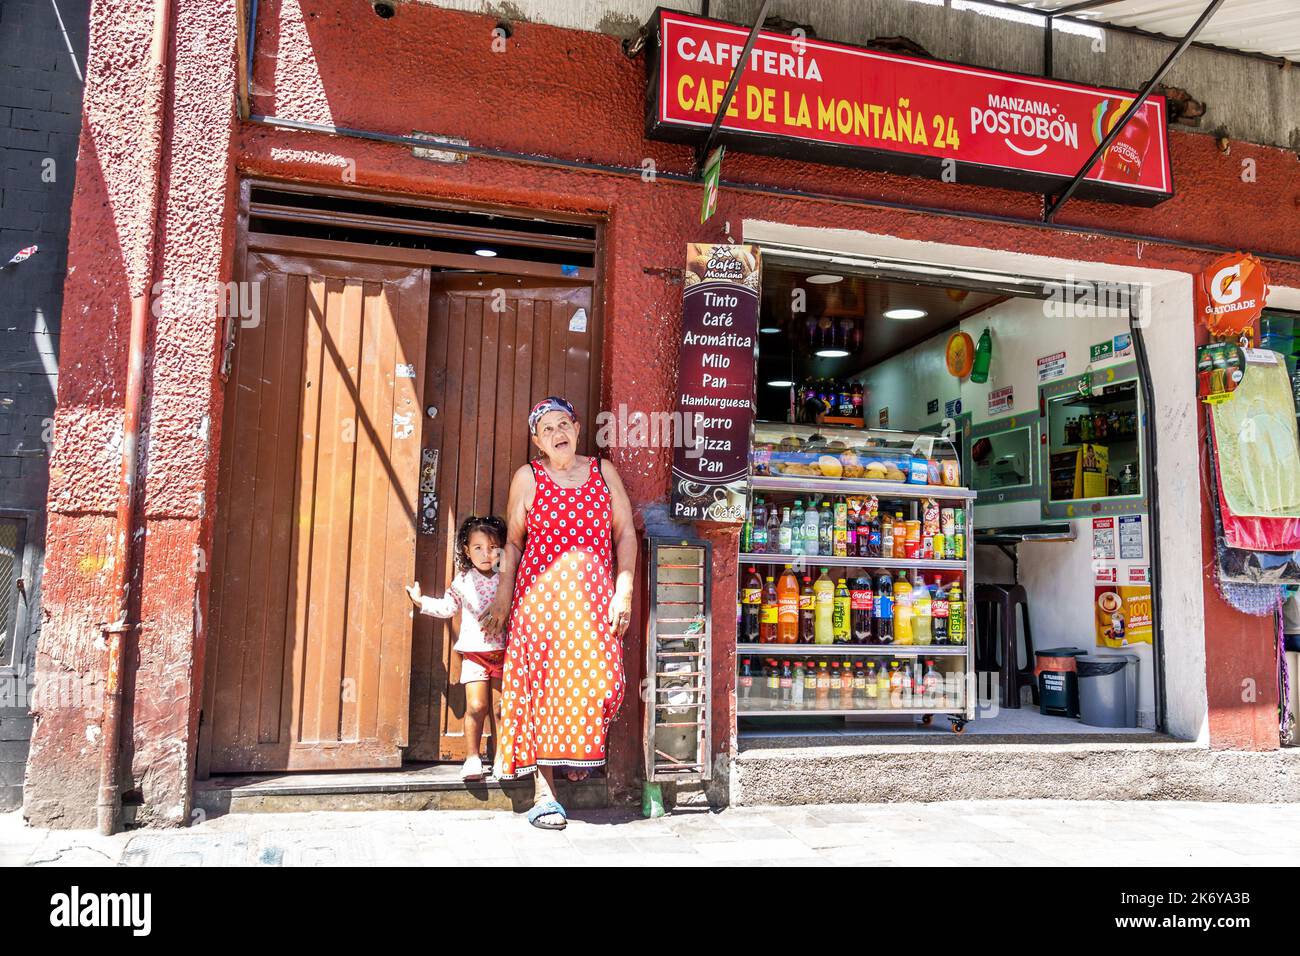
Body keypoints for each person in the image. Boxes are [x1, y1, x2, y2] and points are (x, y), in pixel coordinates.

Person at [483, 396, 636, 830]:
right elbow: (513, 543)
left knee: (602, 682)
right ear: (537, 440)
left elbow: (625, 533)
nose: (557, 433)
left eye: (563, 423)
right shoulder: (528, 478)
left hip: (592, 604)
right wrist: (503, 597)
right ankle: (545, 794)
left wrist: (622, 590)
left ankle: (574, 751)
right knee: (544, 693)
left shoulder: (603, 473)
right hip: (540, 605)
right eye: (546, 429)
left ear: (577, 427)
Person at [407, 515, 507, 781]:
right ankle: (472, 757)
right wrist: (421, 602)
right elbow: (447, 607)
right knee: (476, 706)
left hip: (504, 653)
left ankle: (501, 758)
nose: (486, 554)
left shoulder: (507, 579)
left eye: (492, 548)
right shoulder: (463, 581)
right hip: (475, 654)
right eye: (478, 548)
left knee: (501, 709)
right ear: (466, 550)